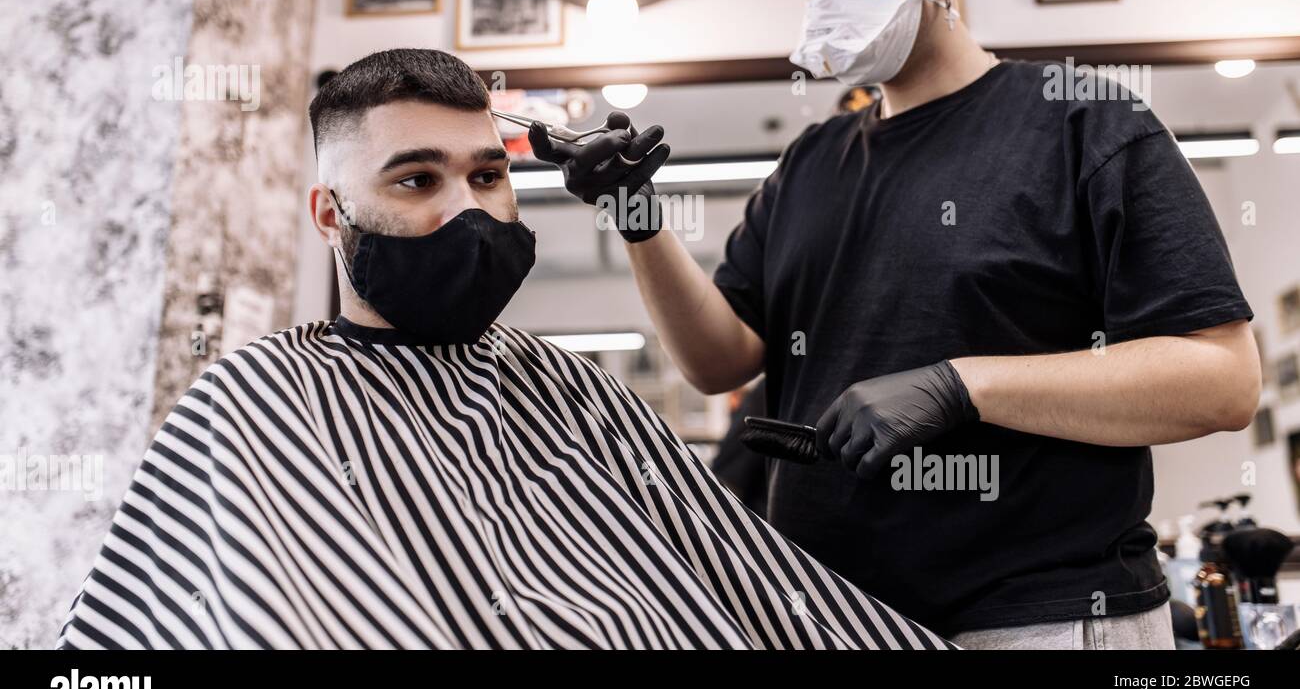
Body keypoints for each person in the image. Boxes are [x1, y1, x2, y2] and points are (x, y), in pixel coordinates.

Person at [528, 0, 1262, 649]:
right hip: (828, 614)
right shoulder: (811, 164)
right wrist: (637, 215)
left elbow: (1221, 381)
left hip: (1041, 618)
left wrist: (961, 386)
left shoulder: (1084, 124)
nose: (824, 0)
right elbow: (720, 360)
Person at [55, 48, 950, 650]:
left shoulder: (573, 392)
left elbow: (752, 593)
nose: (469, 208)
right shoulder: (254, 402)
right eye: (416, 179)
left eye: (488, 175)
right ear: (331, 214)